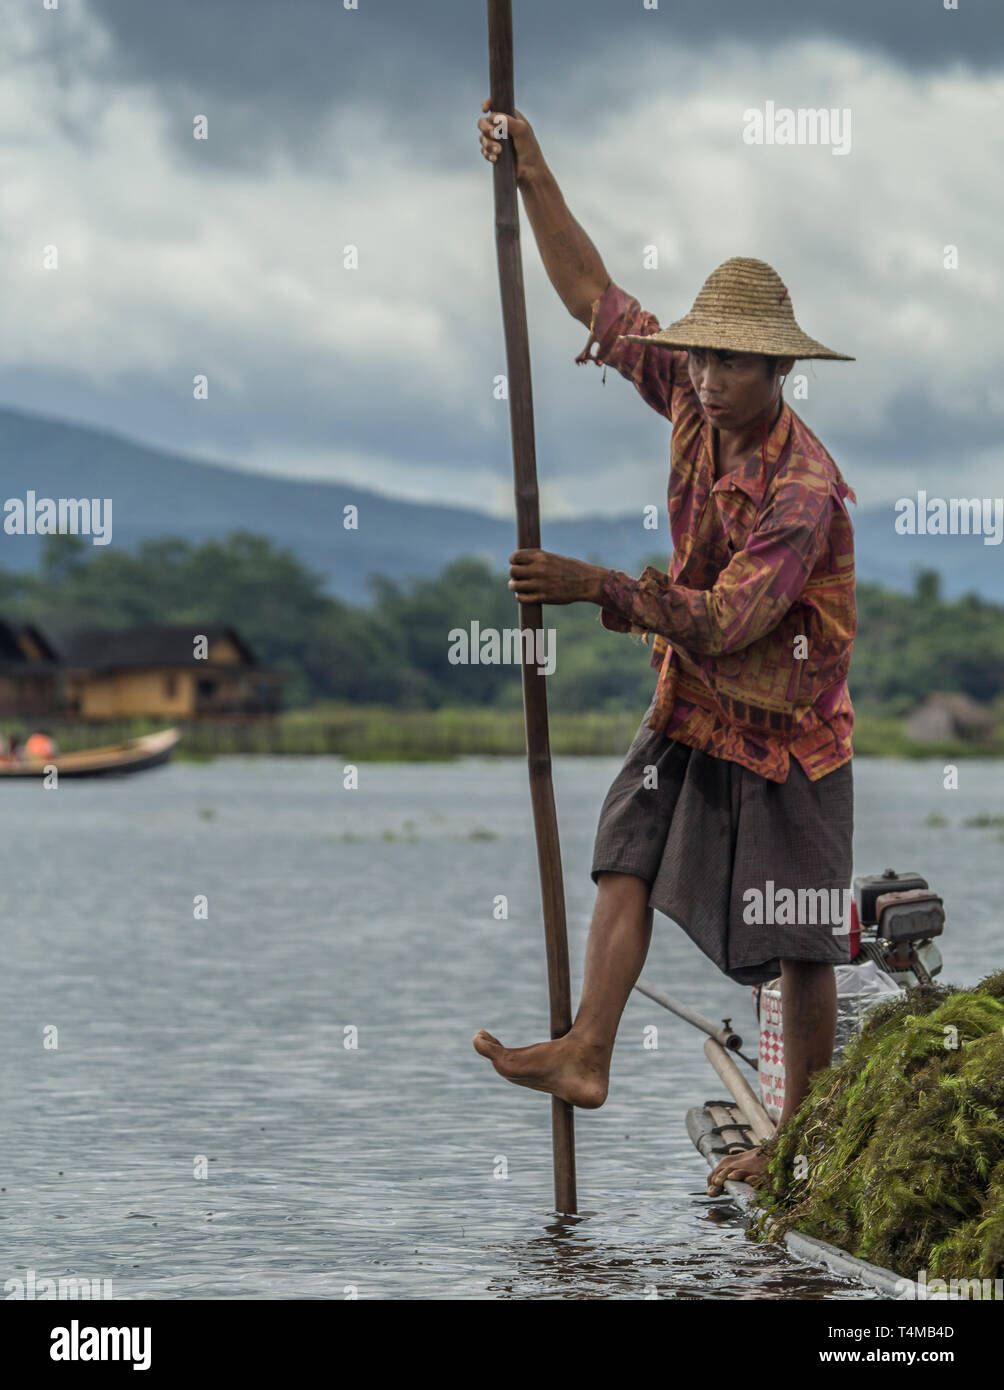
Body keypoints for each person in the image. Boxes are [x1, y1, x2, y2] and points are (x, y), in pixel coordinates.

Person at [471, 101, 857, 1195]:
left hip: (787, 727)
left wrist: (593, 586)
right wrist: (531, 168)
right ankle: (588, 1050)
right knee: (622, 847)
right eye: (698, 358)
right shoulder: (689, 400)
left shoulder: (802, 489)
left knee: (800, 937)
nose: (704, 376)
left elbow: (731, 618)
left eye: (729, 364)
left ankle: (793, 1148)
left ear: (775, 373)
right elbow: (590, 293)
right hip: (690, 702)